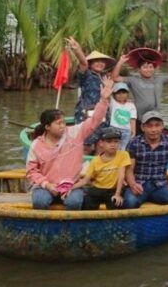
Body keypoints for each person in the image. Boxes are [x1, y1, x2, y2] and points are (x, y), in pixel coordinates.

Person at [26, 78, 113, 210]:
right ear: (47, 127)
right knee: (40, 201)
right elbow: (32, 171)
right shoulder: (37, 145)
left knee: (74, 202)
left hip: (72, 185)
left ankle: (70, 228)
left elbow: (95, 120)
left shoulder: (75, 133)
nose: (63, 125)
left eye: (63, 122)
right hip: (46, 186)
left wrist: (104, 100)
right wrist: (47, 185)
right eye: (58, 123)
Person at [111, 47, 168, 134]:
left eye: (151, 67)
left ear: (154, 68)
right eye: (145, 67)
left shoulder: (160, 79)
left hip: (155, 118)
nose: (148, 70)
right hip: (139, 119)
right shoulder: (133, 80)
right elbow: (115, 77)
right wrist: (120, 62)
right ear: (139, 69)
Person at [122, 111, 168, 208]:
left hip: (160, 186)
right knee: (130, 202)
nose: (154, 129)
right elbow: (129, 169)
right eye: (149, 126)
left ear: (162, 126)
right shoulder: (134, 143)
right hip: (139, 185)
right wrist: (133, 184)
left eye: (157, 125)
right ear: (143, 128)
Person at [69, 127, 131, 210]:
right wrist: (70, 188)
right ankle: (88, 223)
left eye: (116, 142)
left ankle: (113, 223)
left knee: (116, 203)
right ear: (101, 143)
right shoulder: (95, 160)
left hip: (113, 190)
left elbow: (121, 176)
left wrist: (117, 194)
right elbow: (86, 180)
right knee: (87, 202)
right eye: (109, 142)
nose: (113, 144)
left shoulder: (123, 155)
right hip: (98, 189)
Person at [65, 37, 116, 123]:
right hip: (87, 111)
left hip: (102, 110)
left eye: (102, 61)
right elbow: (83, 63)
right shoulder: (86, 74)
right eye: (96, 61)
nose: (100, 64)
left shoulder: (104, 78)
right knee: (89, 134)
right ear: (90, 64)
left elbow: (108, 98)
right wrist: (77, 50)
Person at [109, 82, 137, 150]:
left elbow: (132, 119)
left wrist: (133, 130)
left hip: (126, 131)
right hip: (114, 129)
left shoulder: (131, 105)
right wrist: (109, 86)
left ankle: (122, 159)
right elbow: (107, 94)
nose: (121, 95)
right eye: (118, 93)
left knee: (124, 148)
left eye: (124, 92)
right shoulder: (113, 103)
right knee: (114, 147)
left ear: (127, 94)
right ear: (114, 94)